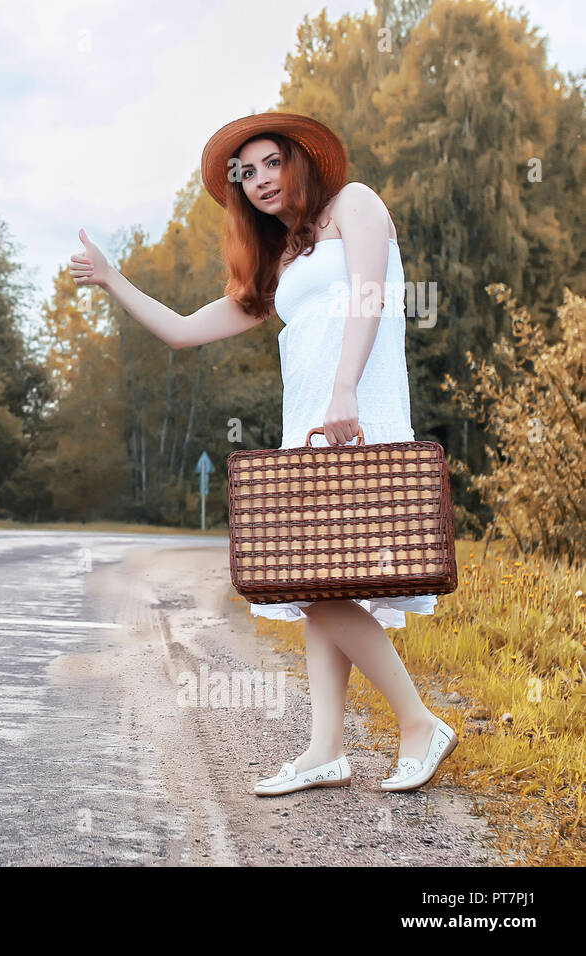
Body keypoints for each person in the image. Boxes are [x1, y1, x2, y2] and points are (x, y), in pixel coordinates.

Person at [68, 111, 457, 796]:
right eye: (244, 174)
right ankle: (324, 750)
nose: (258, 181)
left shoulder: (356, 204)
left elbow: (368, 292)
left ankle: (420, 721)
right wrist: (113, 279)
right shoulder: (283, 261)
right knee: (316, 584)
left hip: (355, 421)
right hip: (306, 435)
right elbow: (184, 332)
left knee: (311, 584)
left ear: (300, 159)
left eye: (270, 163)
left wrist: (344, 389)